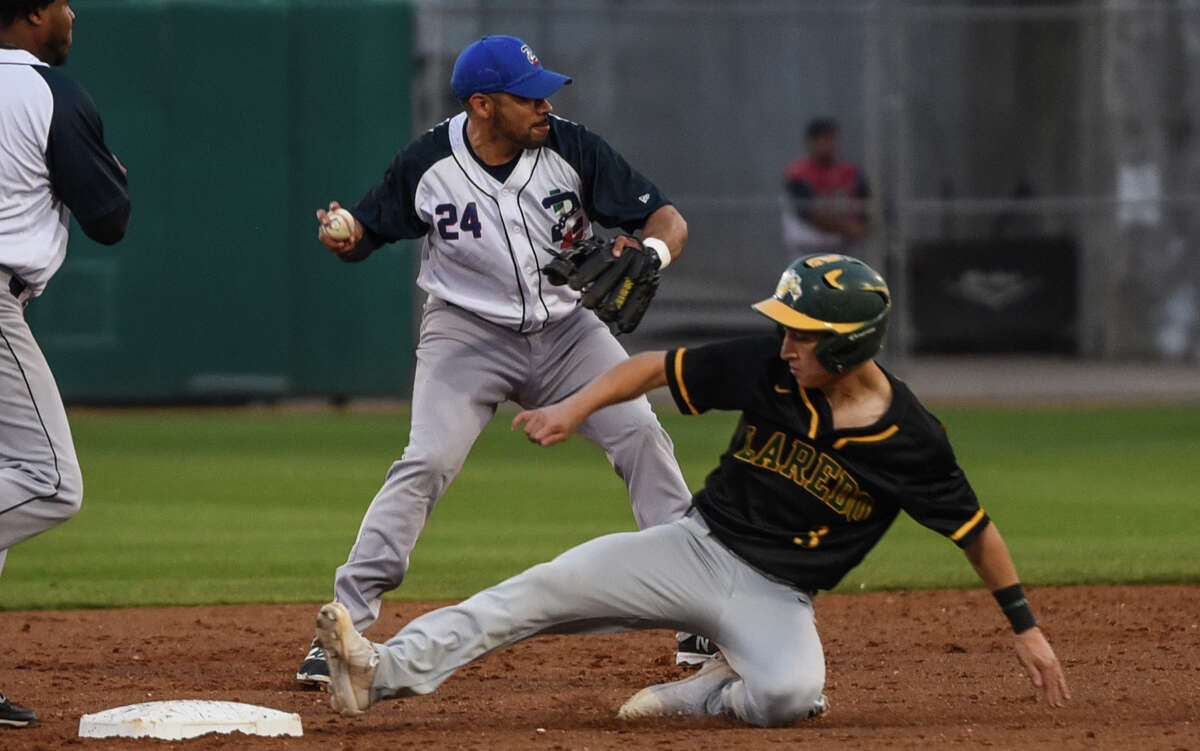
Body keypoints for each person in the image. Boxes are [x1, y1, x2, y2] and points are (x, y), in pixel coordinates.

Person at [310, 253, 1071, 727]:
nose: (786, 342)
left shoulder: (911, 440)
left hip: (778, 599)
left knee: (788, 698)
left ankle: (711, 693)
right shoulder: (769, 366)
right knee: (533, 594)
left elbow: (974, 530)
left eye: (803, 333)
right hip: (692, 549)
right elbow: (655, 368)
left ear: (848, 345)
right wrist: (574, 409)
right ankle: (379, 670)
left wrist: (1025, 627)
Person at [297, 34, 693, 685]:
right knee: (426, 460)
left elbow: (668, 219)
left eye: (545, 93)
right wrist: (346, 235)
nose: (545, 106)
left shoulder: (574, 148)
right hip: (466, 336)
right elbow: (370, 227)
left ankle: (698, 614)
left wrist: (652, 255)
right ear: (482, 105)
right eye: (528, 96)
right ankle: (345, 622)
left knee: (644, 436)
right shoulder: (429, 162)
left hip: (571, 333)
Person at [0, 0, 130, 727]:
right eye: (59, 3)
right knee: (49, 483)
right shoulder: (48, 89)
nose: (71, 13)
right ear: (29, 14)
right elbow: (109, 219)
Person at [781, 118, 870, 257]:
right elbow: (807, 212)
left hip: (844, 248)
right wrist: (847, 227)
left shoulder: (849, 171)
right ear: (810, 143)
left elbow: (866, 205)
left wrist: (861, 227)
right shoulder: (798, 173)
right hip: (807, 249)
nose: (827, 145)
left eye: (830, 139)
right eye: (821, 140)